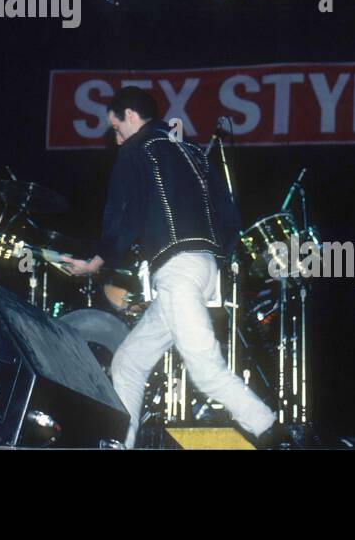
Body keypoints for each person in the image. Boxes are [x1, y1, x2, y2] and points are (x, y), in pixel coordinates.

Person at [60, 87, 277, 449]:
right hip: (204, 269)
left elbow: (121, 216)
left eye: (115, 128)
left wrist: (95, 261)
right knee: (128, 362)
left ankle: (271, 433)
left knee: (207, 372)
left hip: (178, 271)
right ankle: (120, 444)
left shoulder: (137, 150)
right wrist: (213, 258)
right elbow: (230, 218)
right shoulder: (193, 153)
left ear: (130, 115)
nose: (116, 139)